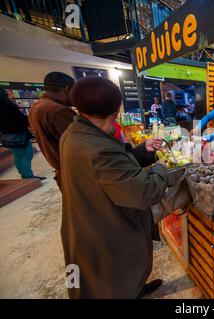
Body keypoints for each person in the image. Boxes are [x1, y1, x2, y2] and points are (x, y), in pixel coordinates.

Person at [60, 77, 168, 299]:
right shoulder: (97, 149)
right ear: (113, 112)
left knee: (122, 278)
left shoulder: (75, 132)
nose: (117, 119)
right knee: (113, 279)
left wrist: (142, 150)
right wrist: (161, 167)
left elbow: (114, 171)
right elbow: (144, 192)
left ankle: (136, 289)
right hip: (104, 228)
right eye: (116, 114)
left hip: (89, 218)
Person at [29, 72, 76, 189]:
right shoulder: (57, 110)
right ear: (68, 89)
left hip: (62, 167)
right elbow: (82, 143)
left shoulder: (36, 106)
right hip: (72, 170)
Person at [0, 88, 45, 180]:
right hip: (19, 134)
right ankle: (28, 175)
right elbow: (20, 118)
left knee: (17, 156)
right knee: (26, 155)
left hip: (7, 136)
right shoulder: (9, 105)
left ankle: (23, 174)